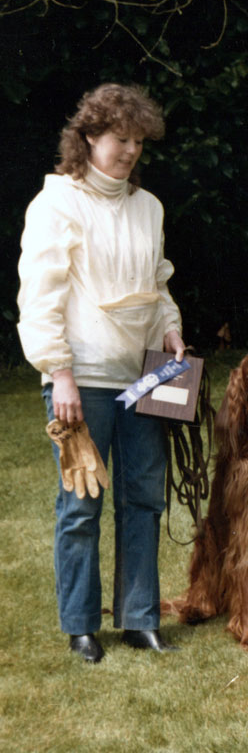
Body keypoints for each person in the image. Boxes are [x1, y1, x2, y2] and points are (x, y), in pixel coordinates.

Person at [17, 83, 187, 662]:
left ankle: (140, 619)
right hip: (81, 379)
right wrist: (59, 372)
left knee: (143, 500)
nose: (131, 151)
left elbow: (158, 284)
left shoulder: (149, 207)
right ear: (89, 136)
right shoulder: (56, 203)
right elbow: (40, 297)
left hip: (143, 377)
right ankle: (81, 626)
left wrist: (170, 331)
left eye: (140, 141)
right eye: (121, 139)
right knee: (81, 506)